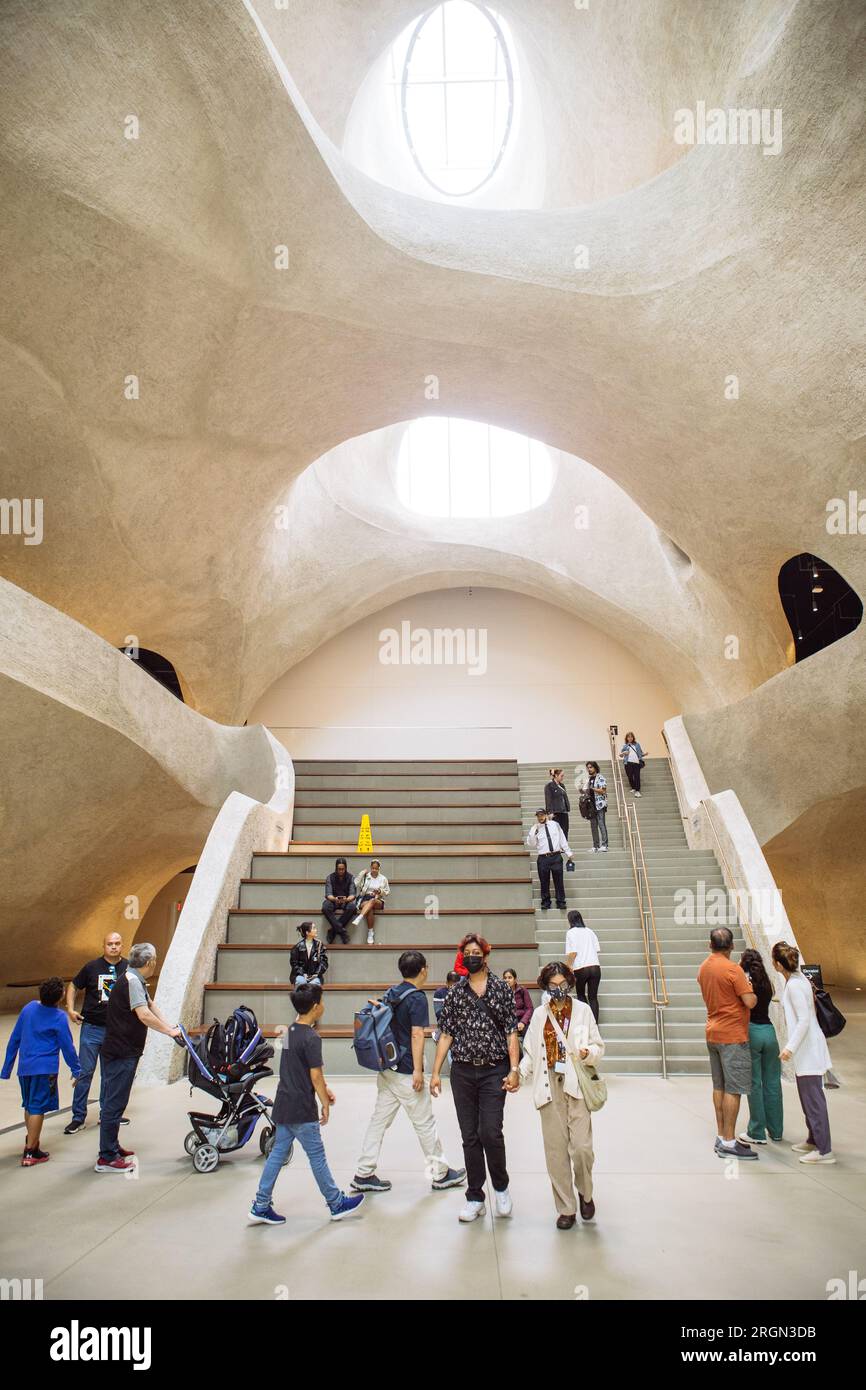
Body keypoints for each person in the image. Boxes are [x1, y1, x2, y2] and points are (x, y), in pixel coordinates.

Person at [248, 983, 365, 1225]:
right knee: (317, 1156)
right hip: (302, 1108)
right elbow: (315, 1075)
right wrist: (324, 1101)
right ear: (316, 1007)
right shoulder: (312, 1038)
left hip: (284, 1104)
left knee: (277, 1154)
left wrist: (324, 1090)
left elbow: (296, 1069)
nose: (324, 1006)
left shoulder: (290, 1031)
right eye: (322, 1002)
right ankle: (336, 1203)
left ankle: (261, 1204)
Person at [350, 951, 465, 1194]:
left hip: (387, 1068)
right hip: (405, 1070)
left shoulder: (393, 991)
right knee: (424, 1122)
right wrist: (417, 1071)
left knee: (378, 1121)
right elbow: (416, 1035)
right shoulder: (418, 999)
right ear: (423, 970)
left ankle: (363, 1173)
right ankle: (441, 1174)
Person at [430, 934, 520, 1223]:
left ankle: (501, 1187)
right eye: (466, 952)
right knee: (469, 1136)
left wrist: (515, 1068)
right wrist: (435, 1073)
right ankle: (474, 1196)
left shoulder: (500, 989)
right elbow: (446, 1035)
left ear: (485, 955)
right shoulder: (455, 993)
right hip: (463, 1072)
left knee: (490, 1132)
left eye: (476, 952)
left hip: (494, 1069)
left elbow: (511, 1031)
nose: (471, 956)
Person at [519, 962, 604, 1228]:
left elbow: (598, 1045)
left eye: (563, 985)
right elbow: (531, 1053)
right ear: (545, 986)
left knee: (581, 1149)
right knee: (556, 1153)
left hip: (576, 1084)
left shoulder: (583, 1011)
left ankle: (585, 1192)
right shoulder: (539, 1016)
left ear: (570, 983)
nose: (558, 990)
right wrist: (517, 1075)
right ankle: (566, 1208)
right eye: (553, 986)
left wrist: (588, 1053)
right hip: (548, 1086)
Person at [95, 942, 180, 1174]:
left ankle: (112, 1146)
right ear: (150, 962)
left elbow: (150, 1006)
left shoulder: (134, 979)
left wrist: (171, 1026)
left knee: (118, 1102)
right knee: (114, 1103)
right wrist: (169, 1032)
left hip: (125, 1050)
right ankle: (106, 1157)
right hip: (120, 1052)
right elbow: (144, 1015)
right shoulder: (131, 981)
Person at [2, 977, 80, 1167]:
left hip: (25, 1067)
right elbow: (67, 1046)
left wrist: (6, 1068)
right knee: (38, 1107)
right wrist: (76, 1069)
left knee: (29, 1105)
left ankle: (33, 1144)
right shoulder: (59, 1017)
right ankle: (30, 1152)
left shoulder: (28, 1008)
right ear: (61, 996)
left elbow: (15, 1039)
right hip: (45, 1070)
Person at [696, 927, 758, 1161]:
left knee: (719, 1086)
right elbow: (749, 1001)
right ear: (731, 946)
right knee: (734, 1088)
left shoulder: (703, 968)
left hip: (713, 1032)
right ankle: (730, 1141)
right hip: (733, 1035)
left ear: (709, 945)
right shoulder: (734, 970)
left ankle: (722, 1135)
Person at [771, 941, 835, 1164]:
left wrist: (789, 1047)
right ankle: (813, 1139)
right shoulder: (799, 981)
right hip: (807, 1048)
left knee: (813, 1100)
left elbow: (804, 1021)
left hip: (808, 1049)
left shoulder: (796, 986)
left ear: (779, 964)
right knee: (808, 1097)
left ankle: (824, 1150)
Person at [64, 932, 129, 1135]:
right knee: (85, 1072)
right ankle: (78, 1117)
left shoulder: (128, 968)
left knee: (110, 1075)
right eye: (110, 943)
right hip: (91, 1027)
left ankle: (107, 1114)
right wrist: (70, 1008)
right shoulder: (92, 967)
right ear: (103, 945)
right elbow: (73, 985)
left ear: (122, 945)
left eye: (117, 943)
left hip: (115, 1030)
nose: (113, 947)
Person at [738, 947, 783, 1146]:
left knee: (754, 1083)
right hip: (770, 1033)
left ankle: (757, 1131)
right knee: (773, 1082)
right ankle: (776, 1130)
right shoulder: (767, 981)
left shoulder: (745, 981)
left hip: (752, 1032)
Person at [526, 809, 574, 910]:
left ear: (546, 815)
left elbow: (562, 839)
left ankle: (561, 901)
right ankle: (545, 902)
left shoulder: (555, 824)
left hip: (556, 856)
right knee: (544, 881)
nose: (540, 817)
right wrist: (533, 830)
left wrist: (568, 852)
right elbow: (531, 843)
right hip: (543, 858)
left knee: (559, 881)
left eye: (542, 815)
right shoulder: (536, 828)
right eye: (538, 815)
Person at [564, 909, 602, 1023]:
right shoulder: (590, 931)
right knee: (593, 997)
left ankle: (586, 1021)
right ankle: (594, 1023)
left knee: (581, 995)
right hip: (595, 967)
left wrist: (568, 966)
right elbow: (597, 949)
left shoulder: (571, 933)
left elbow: (573, 952)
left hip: (581, 967)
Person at [351, 859, 390, 944]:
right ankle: (370, 933)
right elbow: (355, 883)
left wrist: (380, 892)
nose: (374, 870)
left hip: (377, 899)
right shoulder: (366, 876)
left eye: (376, 869)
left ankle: (360, 917)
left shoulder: (383, 878)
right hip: (365, 898)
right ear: (370, 867)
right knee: (369, 909)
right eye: (373, 868)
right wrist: (361, 874)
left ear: (379, 868)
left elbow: (387, 892)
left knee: (372, 901)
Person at [322, 858, 357, 944]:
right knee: (325, 906)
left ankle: (333, 931)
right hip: (333, 901)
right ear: (336, 868)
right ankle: (342, 931)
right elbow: (328, 894)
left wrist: (346, 899)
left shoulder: (351, 877)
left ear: (346, 868)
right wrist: (334, 899)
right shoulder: (330, 877)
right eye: (339, 869)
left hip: (346, 901)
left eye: (342, 869)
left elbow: (352, 895)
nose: (341, 871)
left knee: (352, 907)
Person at [577, 762, 608, 852]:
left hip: (600, 805)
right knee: (593, 826)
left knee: (601, 825)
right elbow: (585, 793)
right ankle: (595, 846)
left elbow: (603, 791)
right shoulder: (588, 779)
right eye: (588, 768)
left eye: (590, 767)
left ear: (595, 768)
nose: (589, 769)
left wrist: (592, 788)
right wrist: (580, 789)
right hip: (590, 806)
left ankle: (605, 845)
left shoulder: (600, 777)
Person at [289, 920, 328, 985]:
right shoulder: (297, 947)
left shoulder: (320, 945)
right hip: (300, 975)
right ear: (307, 932)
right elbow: (294, 964)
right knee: (301, 982)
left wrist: (316, 974)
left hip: (316, 975)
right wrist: (303, 974)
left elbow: (324, 963)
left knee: (314, 983)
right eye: (314, 928)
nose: (316, 930)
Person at [502, 968, 534, 1039]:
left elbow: (530, 1009)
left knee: (529, 1036)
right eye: (505, 978)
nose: (507, 980)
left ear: (515, 979)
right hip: (507, 1022)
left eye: (510, 977)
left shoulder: (522, 990)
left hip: (521, 1020)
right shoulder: (500, 993)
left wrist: (523, 1022)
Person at [433, 971, 461, 1040]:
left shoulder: (462, 993)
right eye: (451, 985)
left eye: (456, 985)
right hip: (445, 1028)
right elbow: (439, 1014)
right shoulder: (439, 993)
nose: (453, 988)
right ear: (447, 983)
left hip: (459, 1029)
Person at [544, 767, 571, 837]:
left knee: (565, 831)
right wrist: (549, 812)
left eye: (563, 776)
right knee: (556, 832)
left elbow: (564, 798)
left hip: (564, 811)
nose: (562, 777)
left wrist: (567, 807)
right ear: (556, 775)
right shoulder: (549, 786)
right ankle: (557, 847)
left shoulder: (562, 785)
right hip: (556, 812)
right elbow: (548, 799)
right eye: (561, 776)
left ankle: (564, 847)